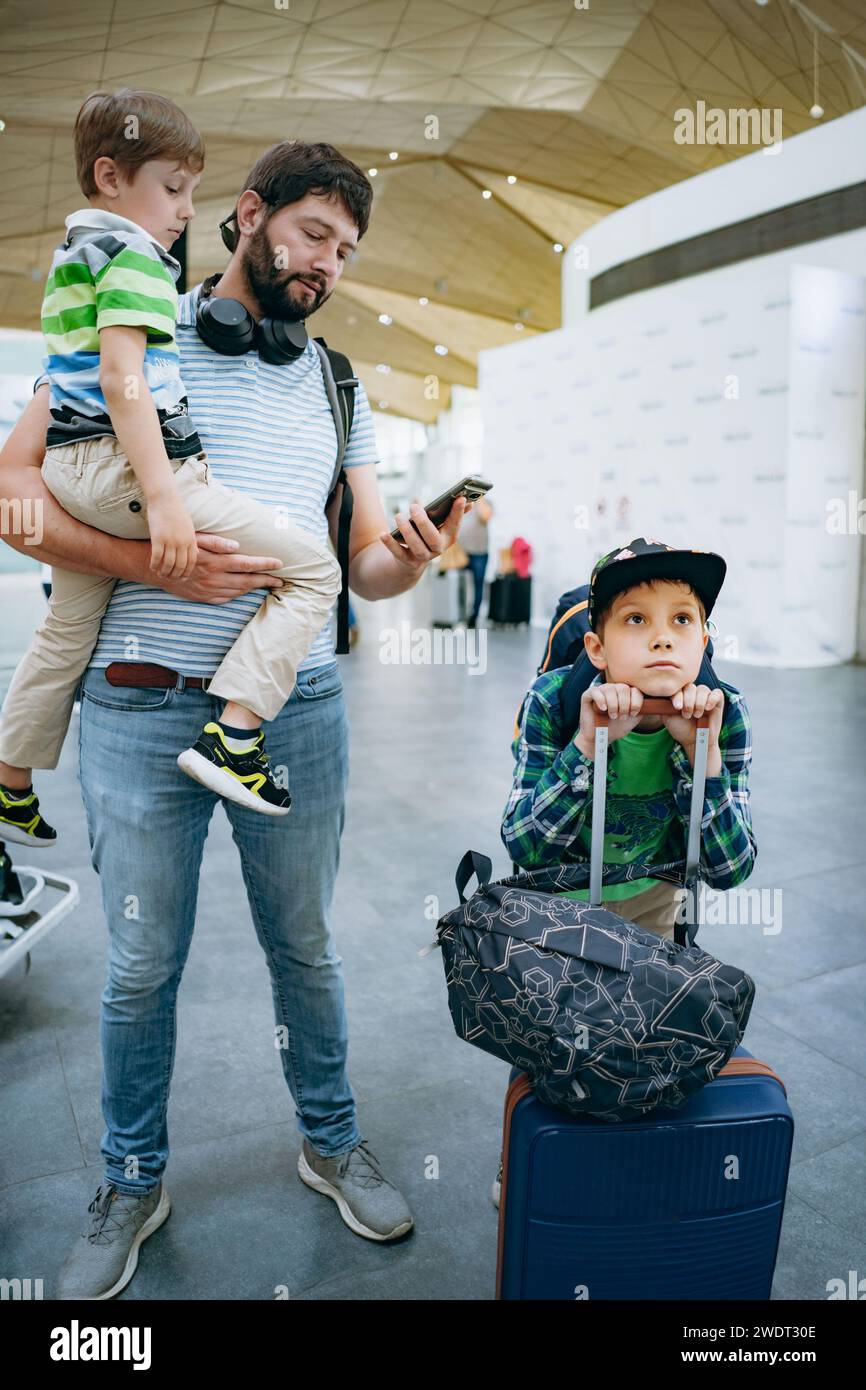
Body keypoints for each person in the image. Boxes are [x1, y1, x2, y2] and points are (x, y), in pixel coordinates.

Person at [0, 123, 474, 1300]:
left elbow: (356, 564)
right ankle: (130, 1175)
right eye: (314, 232)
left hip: (296, 709)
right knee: (139, 966)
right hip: (133, 706)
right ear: (249, 213)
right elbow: (11, 490)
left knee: (306, 949)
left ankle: (330, 1140)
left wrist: (404, 563)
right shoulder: (137, 325)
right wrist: (150, 560)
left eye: (347, 251)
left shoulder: (338, 380)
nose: (327, 263)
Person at [0, 88, 344, 839]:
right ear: (111, 176)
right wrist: (163, 499)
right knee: (317, 571)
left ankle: (9, 777)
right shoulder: (136, 260)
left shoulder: (77, 253)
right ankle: (236, 734)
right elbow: (126, 379)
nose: (186, 210)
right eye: (174, 188)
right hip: (128, 472)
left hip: (73, 467)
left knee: (65, 628)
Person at [493, 537, 757, 1207]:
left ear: (703, 640)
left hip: (655, 918)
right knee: (551, 1048)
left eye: (681, 620)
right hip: (561, 922)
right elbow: (524, 844)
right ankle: (527, 1161)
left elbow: (730, 867)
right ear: (598, 648)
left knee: (639, 1046)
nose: (662, 639)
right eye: (635, 620)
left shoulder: (724, 714)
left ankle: (629, 1162)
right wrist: (586, 745)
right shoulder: (554, 701)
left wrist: (705, 760)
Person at [458, 494, 492, 627]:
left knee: (478, 586)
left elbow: (485, 516)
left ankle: (474, 617)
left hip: (479, 553)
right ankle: (459, 614)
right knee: (459, 585)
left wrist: (480, 498)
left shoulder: (486, 503)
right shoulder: (464, 502)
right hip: (462, 552)